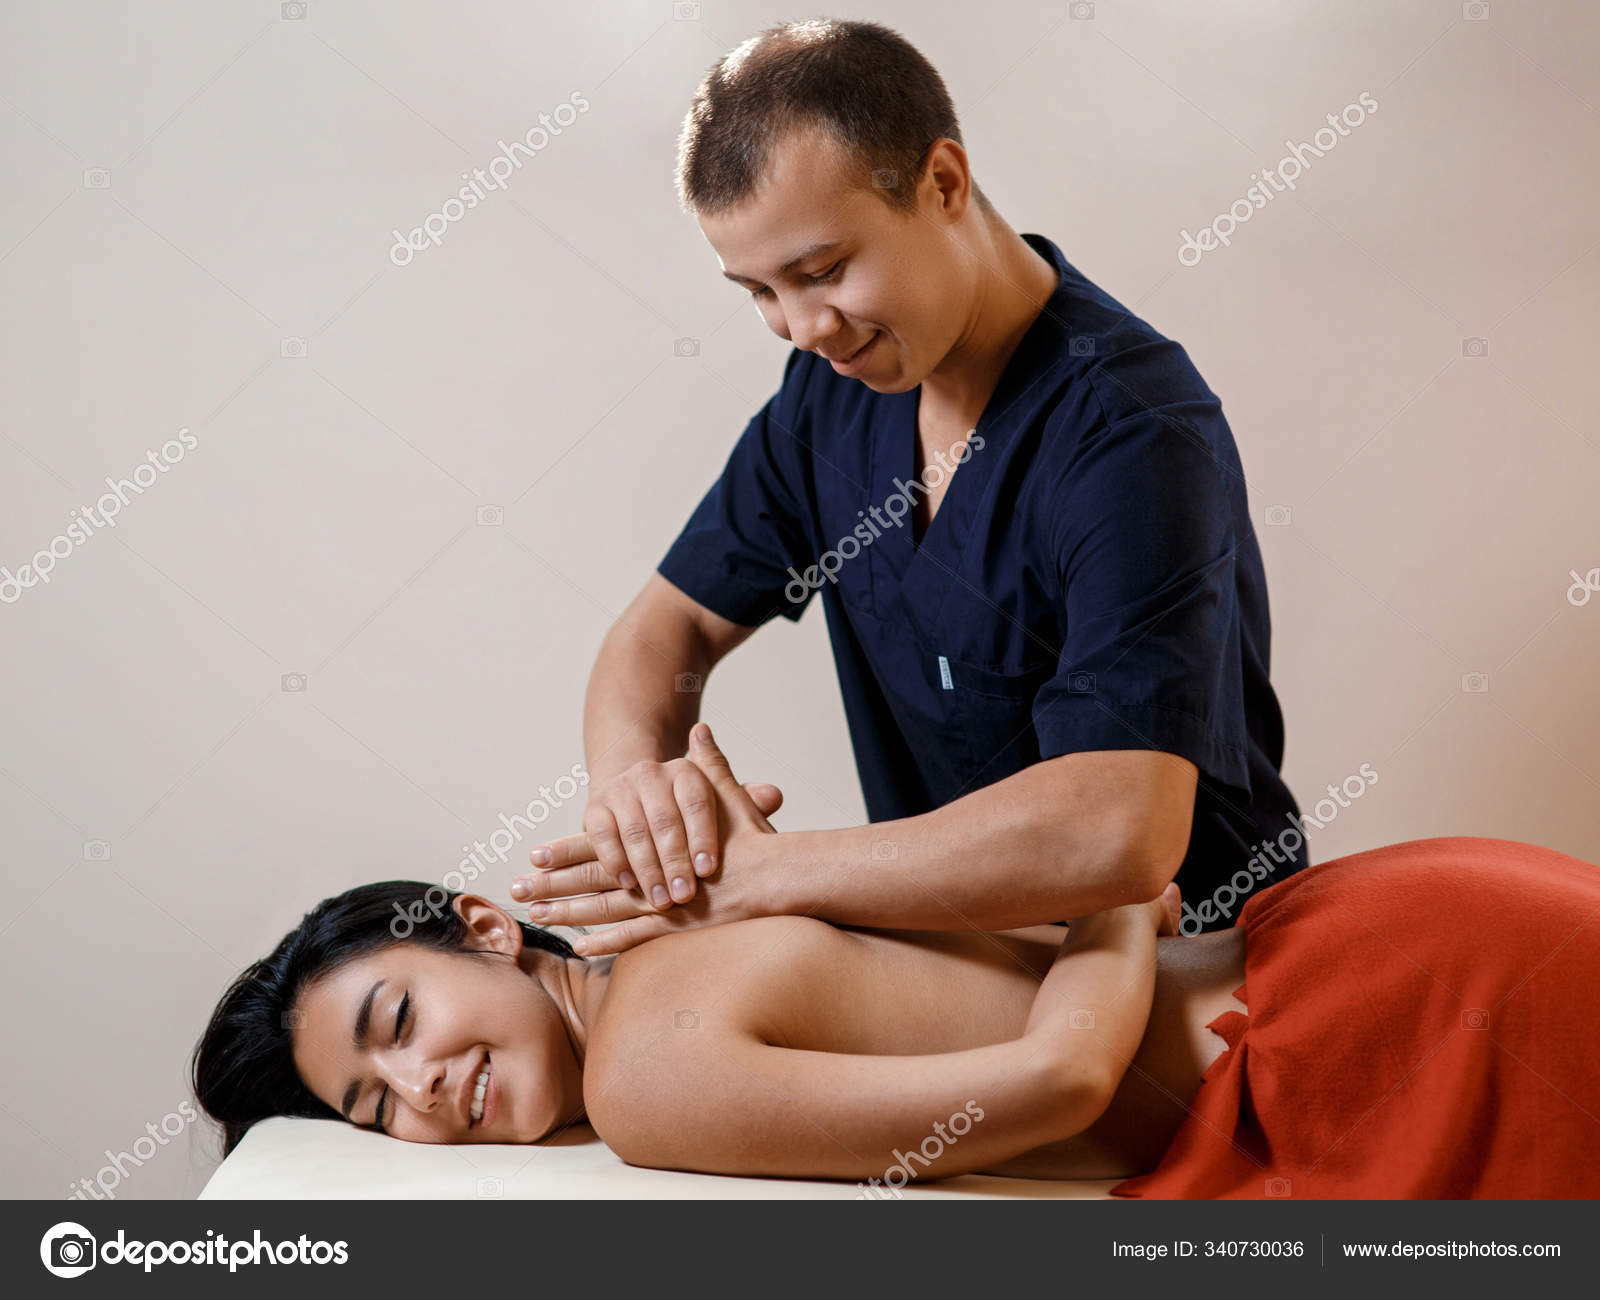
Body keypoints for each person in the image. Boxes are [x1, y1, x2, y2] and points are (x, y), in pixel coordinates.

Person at [523, 18, 1304, 954]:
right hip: (972, 984)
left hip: (1206, 984)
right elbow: (664, 630)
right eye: (759, 292)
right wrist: (635, 802)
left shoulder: (1132, 433)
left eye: (821, 271)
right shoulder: (831, 395)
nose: (801, 326)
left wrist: (767, 877)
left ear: (942, 183)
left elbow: (1117, 831)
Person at [193, 729, 1600, 1198]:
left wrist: (1121, 900)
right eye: (376, 1106)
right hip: (1404, 939)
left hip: (1384, 1032)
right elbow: (1074, 923)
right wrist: (1120, 905)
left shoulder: (644, 1078)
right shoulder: (716, 915)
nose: (423, 1086)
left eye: (395, 1020)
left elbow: (1058, 1078)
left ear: (486, 927)